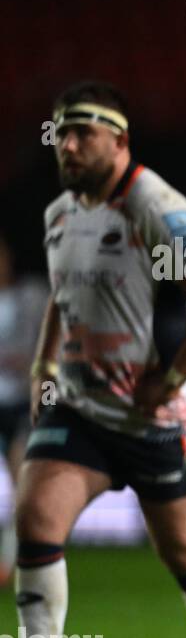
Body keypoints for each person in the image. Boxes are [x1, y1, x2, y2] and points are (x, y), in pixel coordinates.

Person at [0, 82, 186, 638]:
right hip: (83, 410)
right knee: (35, 520)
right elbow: (63, 292)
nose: (69, 143)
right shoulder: (61, 213)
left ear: (120, 140)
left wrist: (175, 376)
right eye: (60, 132)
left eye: (83, 131)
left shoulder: (155, 207)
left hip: (157, 419)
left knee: (185, 556)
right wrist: (45, 365)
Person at [0, 235, 48, 587]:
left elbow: (48, 341)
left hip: (18, 404)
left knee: (24, 487)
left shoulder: (32, 296)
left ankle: (8, 561)